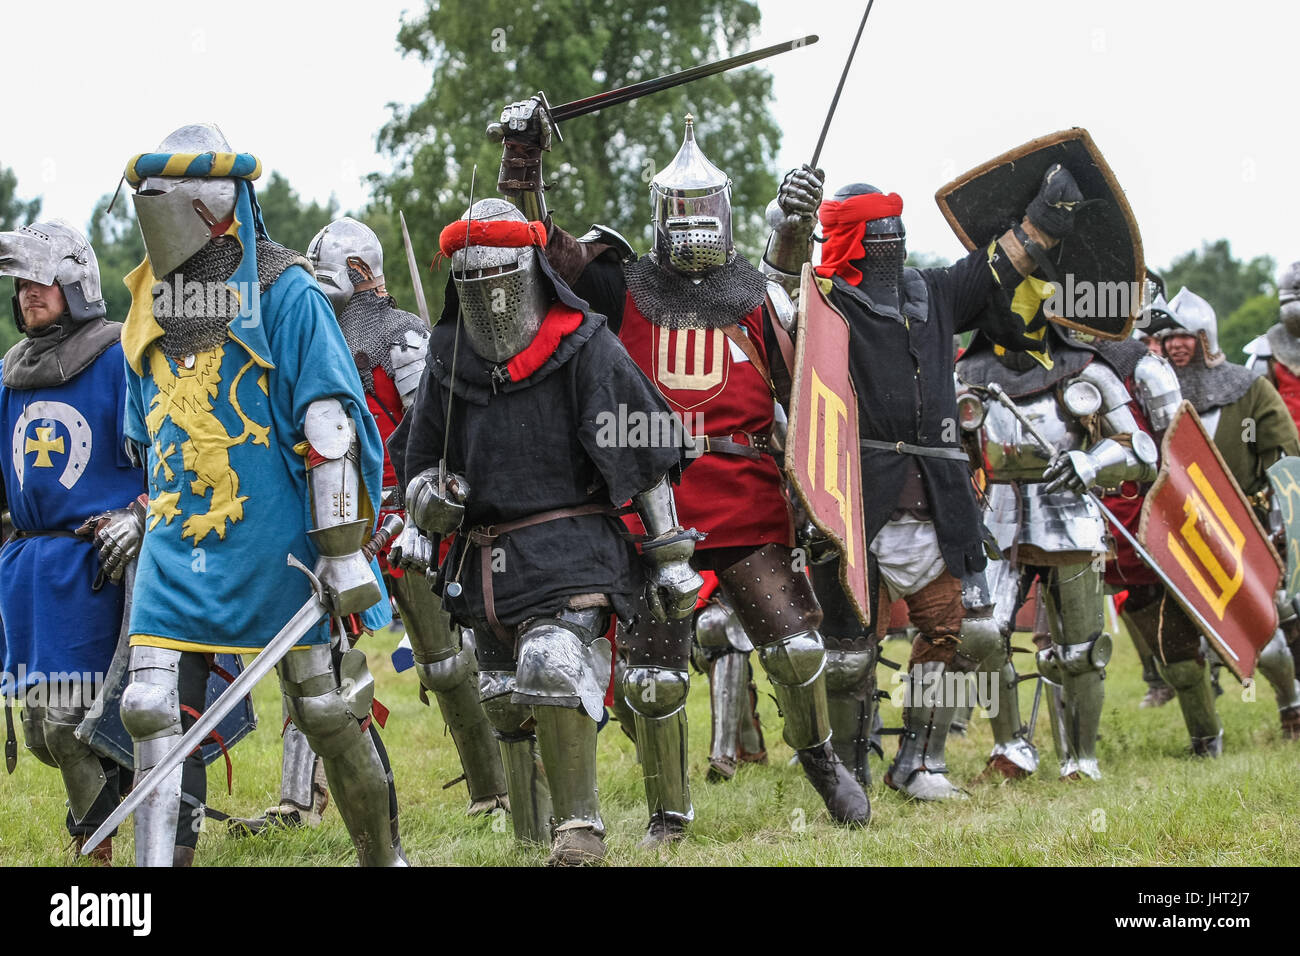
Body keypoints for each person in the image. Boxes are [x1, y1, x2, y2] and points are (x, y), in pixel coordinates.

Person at [486, 102, 870, 842]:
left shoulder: (757, 296)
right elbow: (540, 248)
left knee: (795, 649)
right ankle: (670, 809)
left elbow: (807, 402)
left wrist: (794, 222)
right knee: (655, 679)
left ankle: (821, 761)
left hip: (749, 503)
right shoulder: (621, 286)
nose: (694, 221)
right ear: (660, 214)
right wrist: (526, 156)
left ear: (725, 212)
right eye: (681, 208)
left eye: (705, 208)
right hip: (658, 511)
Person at [116, 123, 403, 865]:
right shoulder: (148, 305)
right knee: (150, 709)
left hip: (276, 542)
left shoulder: (286, 290)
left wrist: (341, 554)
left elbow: (331, 423)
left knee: (325, 710)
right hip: (178, 541)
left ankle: (384, 857)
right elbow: (150, 440)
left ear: (208, 209)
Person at [763, 157, 1087, 799]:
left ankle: (918, 760)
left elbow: (1007, 260)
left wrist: (1053, 208)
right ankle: (850, 768)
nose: (894, 245)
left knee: (964, 632)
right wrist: (787, 225)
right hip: (853, 498)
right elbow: (775, 294)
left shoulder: (937, 293)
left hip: (940, 500)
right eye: (884, 235)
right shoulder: (823, 303)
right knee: (849, 652)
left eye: (896, 234)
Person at [397, 197, 702, 865]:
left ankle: (580, 833)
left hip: (572, 550)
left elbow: (644, 449)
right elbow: (420, 463)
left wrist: (670, 554)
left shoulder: (582, 342)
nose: (485, 295)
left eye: (495, 277)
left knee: (552, 663)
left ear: (530, 268)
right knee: (503, 697)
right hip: (484, 560)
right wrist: (429, 504)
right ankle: (530, 836)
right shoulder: (447, 357)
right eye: (469, 281)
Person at [229, 218, 508, 835]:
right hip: (339, 519)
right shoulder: (308, 336)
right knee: (316, 659)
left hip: (406, 519)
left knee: (442, 662)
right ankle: (297, 803)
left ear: (359, 272)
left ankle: (495, 791)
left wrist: (411, 517)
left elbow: (434, 441)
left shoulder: (407, 339)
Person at [956, 323, 1160, 780]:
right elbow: (950, 448)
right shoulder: (967, 374)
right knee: (984, 635)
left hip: (1069, 519)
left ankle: (1081, 759)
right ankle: (1010, 748)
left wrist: (1092, 460)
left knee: (1080, 651)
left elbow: (1142, 453)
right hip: (998, 518)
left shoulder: (1088, 370)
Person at [0, 219, 144, 862]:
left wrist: (139, 514)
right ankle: (109, 796)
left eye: (42, 279)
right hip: (30, 570)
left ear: (76, 280)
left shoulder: (120, 355)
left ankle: (97, 847)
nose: (31, 291)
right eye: (22, 282)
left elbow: (169, 454)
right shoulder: (10, 373)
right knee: (41, 727)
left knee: (68, 720)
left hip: (96, 565)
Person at [1133, 288, 1300, 752]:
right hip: (1179, 534)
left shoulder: (1246, 389)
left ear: (1206, 338)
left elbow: (1284, 456)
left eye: (1187, 336)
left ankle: (1291, 703)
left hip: (1242, 529)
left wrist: (1275, 517)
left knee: (1263, 636)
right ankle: (1206, 738)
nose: (1176, 345)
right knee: (1180, 652)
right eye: (1168, 338)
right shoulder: (1150, 394)